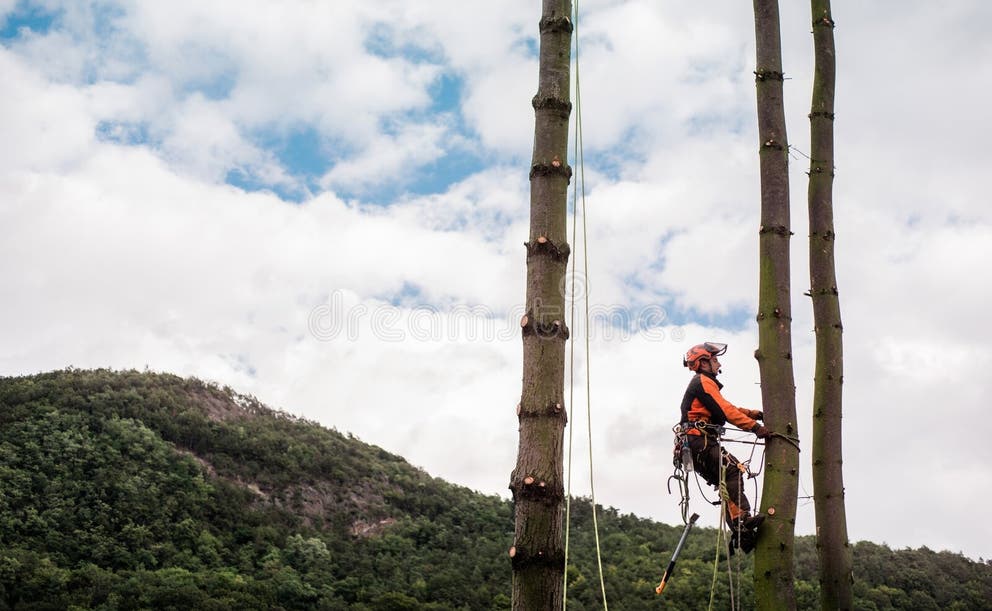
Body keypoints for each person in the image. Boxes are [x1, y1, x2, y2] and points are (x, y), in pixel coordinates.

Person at [679, 342, 769, 553]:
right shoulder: (702, 381)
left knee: (727, 480)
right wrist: (755, 427)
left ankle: (741, 532)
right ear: (703, 363)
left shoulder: (705, 383)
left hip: (696, 444)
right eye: (715, 359)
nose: (718, 363)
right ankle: (741, 521)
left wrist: (754, 414)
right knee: (732, 469)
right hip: (697, 441)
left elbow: (725, 407)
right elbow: (726, 410)